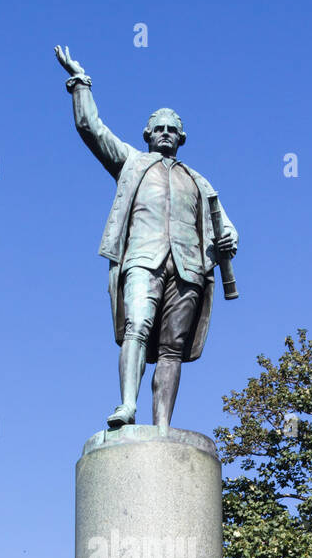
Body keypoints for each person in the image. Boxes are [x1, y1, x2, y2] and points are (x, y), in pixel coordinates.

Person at [56, 45, 238, 429]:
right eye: (160, 129)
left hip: (189, 269)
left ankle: (162, 426)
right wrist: (80, 82)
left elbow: (227, 230)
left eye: (173, 130)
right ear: (147, 134)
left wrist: (229, 242)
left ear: (182, 137)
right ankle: (126, 406)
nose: (167, 134)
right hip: (142, 258)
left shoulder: (198, 182)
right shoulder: (131, 162)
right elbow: (92, 129)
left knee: (173, 349)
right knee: (135, 327)